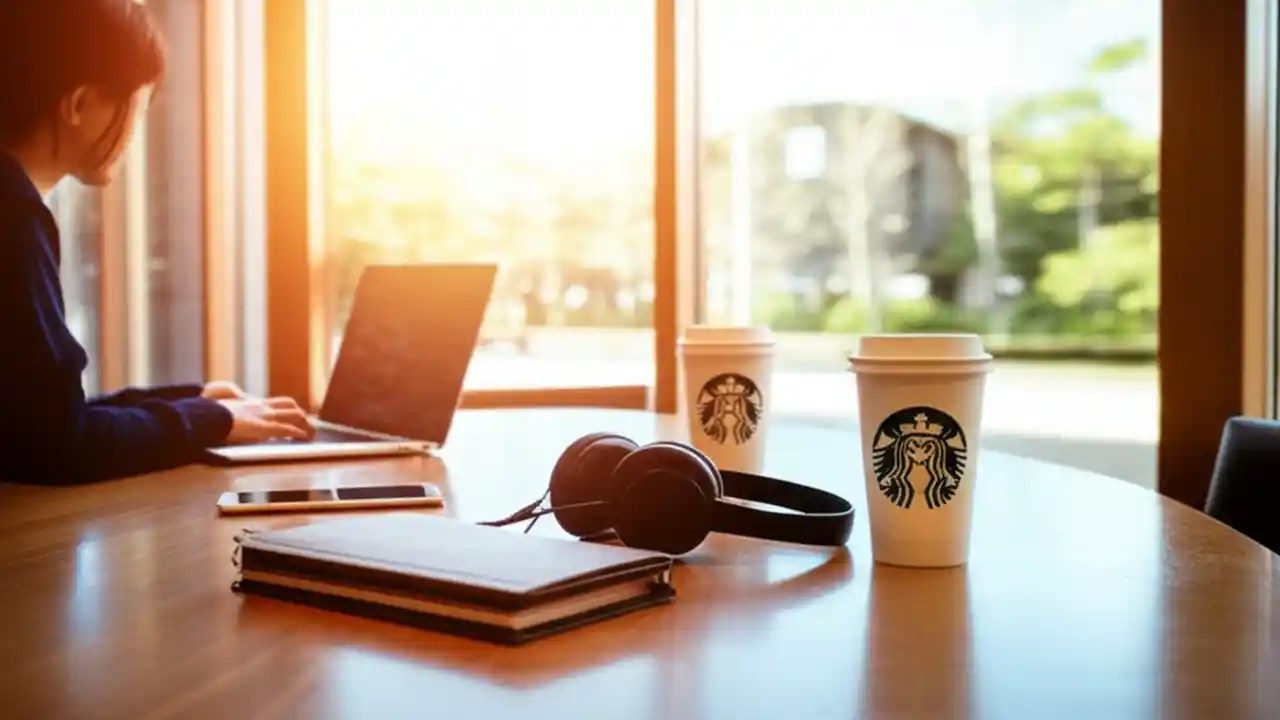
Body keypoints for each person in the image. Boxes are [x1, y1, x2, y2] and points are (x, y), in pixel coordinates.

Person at [0, 0, 315, 485]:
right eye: (138, 104)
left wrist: (191, 401)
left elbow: (28, 419)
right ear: (79, 104)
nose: (136, 132)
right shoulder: (13, 215)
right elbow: (58, 445)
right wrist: (211, 420)